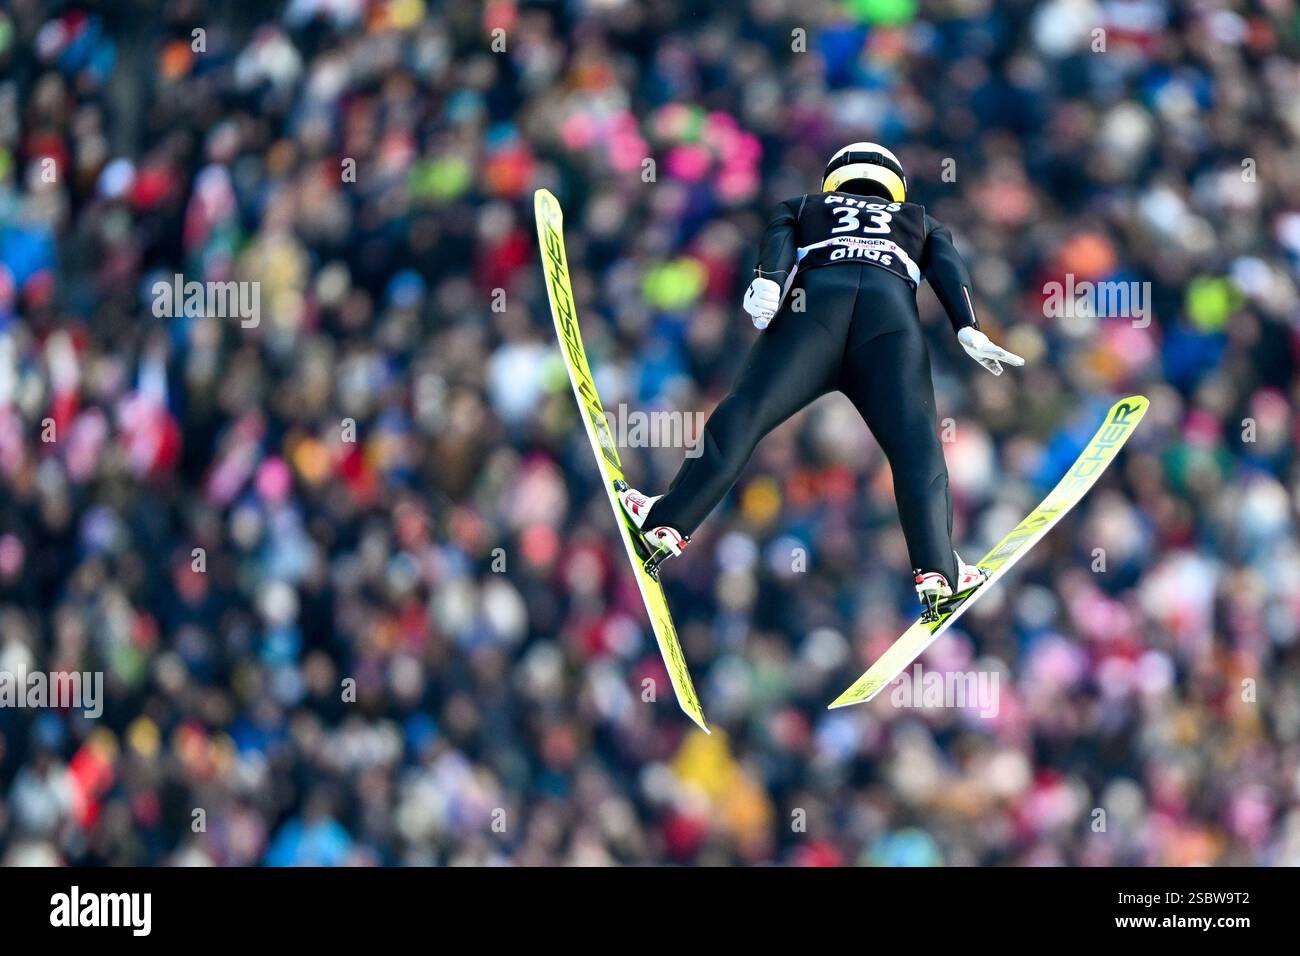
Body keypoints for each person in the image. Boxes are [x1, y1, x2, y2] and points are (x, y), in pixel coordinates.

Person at [616, 143, 1025, 616]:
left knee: (745, 414)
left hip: (814, 313)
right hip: (889, 325)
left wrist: (769, 279)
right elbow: (948, 269)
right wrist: (967, 327)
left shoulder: (805, 205)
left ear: (834, 177)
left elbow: (779, 241)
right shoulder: (920, 220)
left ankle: (667, 523)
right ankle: (938, 572)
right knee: (918, 450)